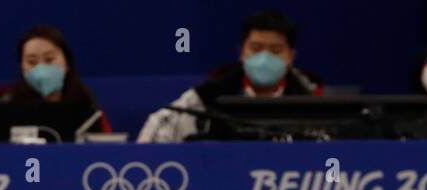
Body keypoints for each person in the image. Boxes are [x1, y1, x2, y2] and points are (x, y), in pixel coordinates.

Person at [137, 9, 323, 143]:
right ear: (241, 52)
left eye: (275, 51)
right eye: (256, 49)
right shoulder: (204, 99)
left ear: (291, 56)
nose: (264, 58)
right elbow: (153, 138)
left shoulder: (311, 105)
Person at [0, 25, 113, 134]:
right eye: (32, 62)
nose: (41, 68)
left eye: (49, 59)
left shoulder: (86, 103)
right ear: (21, 67)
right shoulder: (4, 102)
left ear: (67, 62)